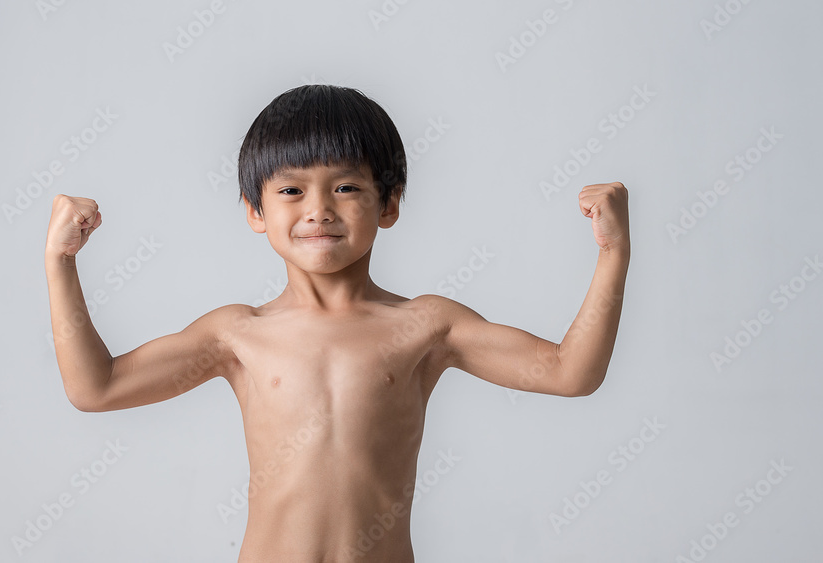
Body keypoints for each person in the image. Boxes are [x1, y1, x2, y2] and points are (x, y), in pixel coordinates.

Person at [44, 84, 630, 562]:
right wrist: (61, 262)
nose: (319, 209)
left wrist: (612, 254)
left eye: (347, 187)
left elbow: (569, 372)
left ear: (389, 204)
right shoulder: (237, 335)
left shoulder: (427, 326)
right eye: (292, 190)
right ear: (256, 210)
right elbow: (96, 388)